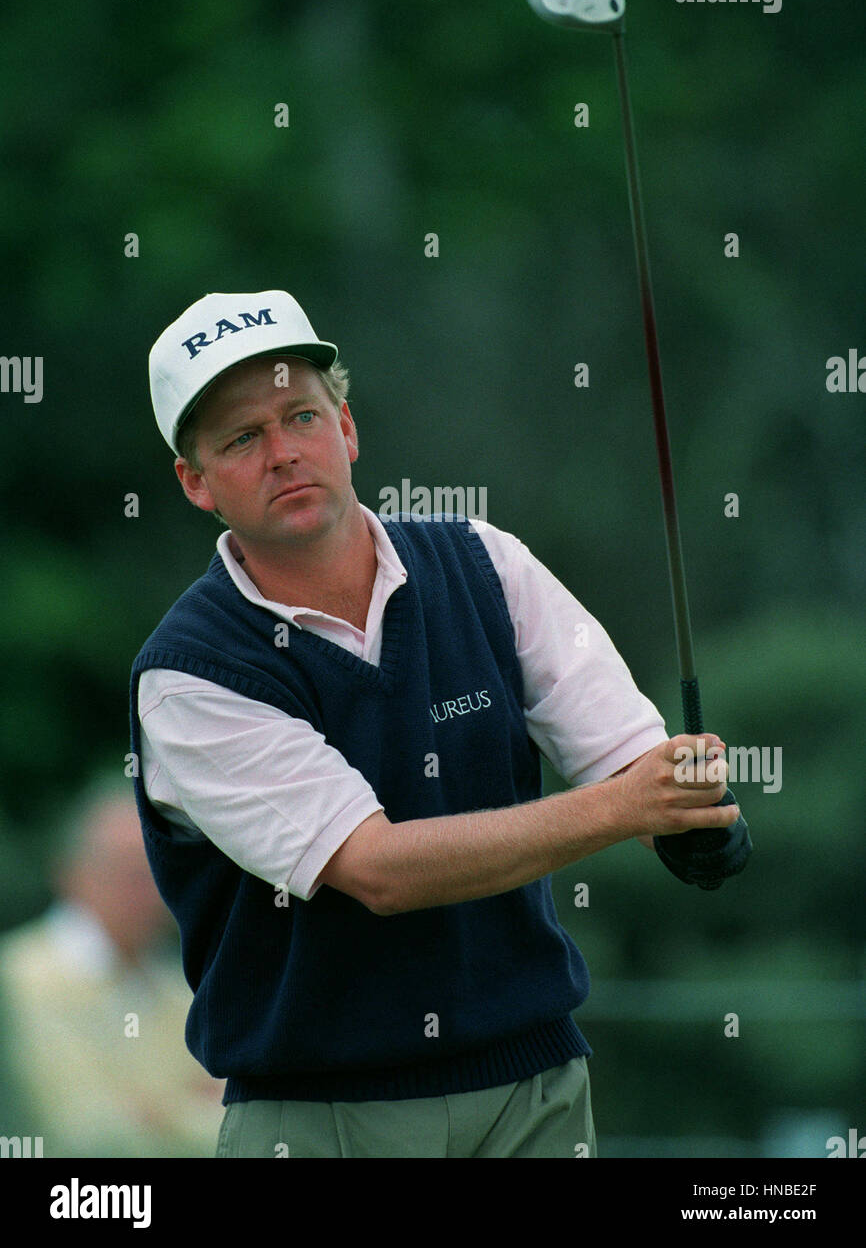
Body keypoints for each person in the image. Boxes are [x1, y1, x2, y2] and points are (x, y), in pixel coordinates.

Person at [130, 288, 739, 1159]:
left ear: (347, 429)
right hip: (315, 1119)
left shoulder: (487, 562)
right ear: (196, 483)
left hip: (537, 1093)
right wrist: (628, 809)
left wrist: (689, 811)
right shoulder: (188, 676)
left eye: (301, 414)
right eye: (240, 438)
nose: (283, 453)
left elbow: (623, 753)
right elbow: (378, 870)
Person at [0, 777, 225, 1157]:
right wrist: (187, 1106)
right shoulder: (17, 978)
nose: (150, 893)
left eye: (158, 874)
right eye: (130, 874)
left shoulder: (181, 987)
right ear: (70, 873)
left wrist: (155, 1114)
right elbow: (79, 1133)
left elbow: (240, 1124)